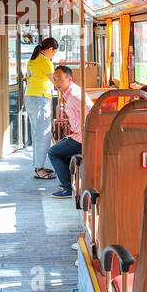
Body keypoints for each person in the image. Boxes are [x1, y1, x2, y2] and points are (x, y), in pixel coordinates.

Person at [47, 65, 92, 198]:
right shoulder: (71, 92)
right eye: (55, 79)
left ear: (70, 79)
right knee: (62, 149)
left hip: (82, 138)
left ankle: (67, 188)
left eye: (60, 79)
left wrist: (88, 131)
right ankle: (71, 183)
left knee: (53, 152)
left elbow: (92, 110)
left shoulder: (74, 95)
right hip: (79, 135)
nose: (57, 82)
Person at [24, 38, 59, 180]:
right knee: (43, 134)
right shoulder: (45, 62)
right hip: (40, 98)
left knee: (37, 134)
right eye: (54, 52)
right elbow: (56, 81)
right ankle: (39, 169)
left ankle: (38, 166)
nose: (54, 55)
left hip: (31, 97)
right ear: (50, 49)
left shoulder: (33, 59)